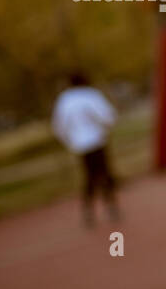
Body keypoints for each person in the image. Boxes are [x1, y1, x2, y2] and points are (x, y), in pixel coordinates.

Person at [51, 71, 120, 228]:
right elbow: (108, 116)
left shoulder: (64, 99)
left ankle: (89, 211)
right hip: (97, 140)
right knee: (104, 173)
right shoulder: (90, 95)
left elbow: (59, 125)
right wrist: (106, 127)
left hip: (80, 145)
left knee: (89, 176)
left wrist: (70, 141)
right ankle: (111, 206)